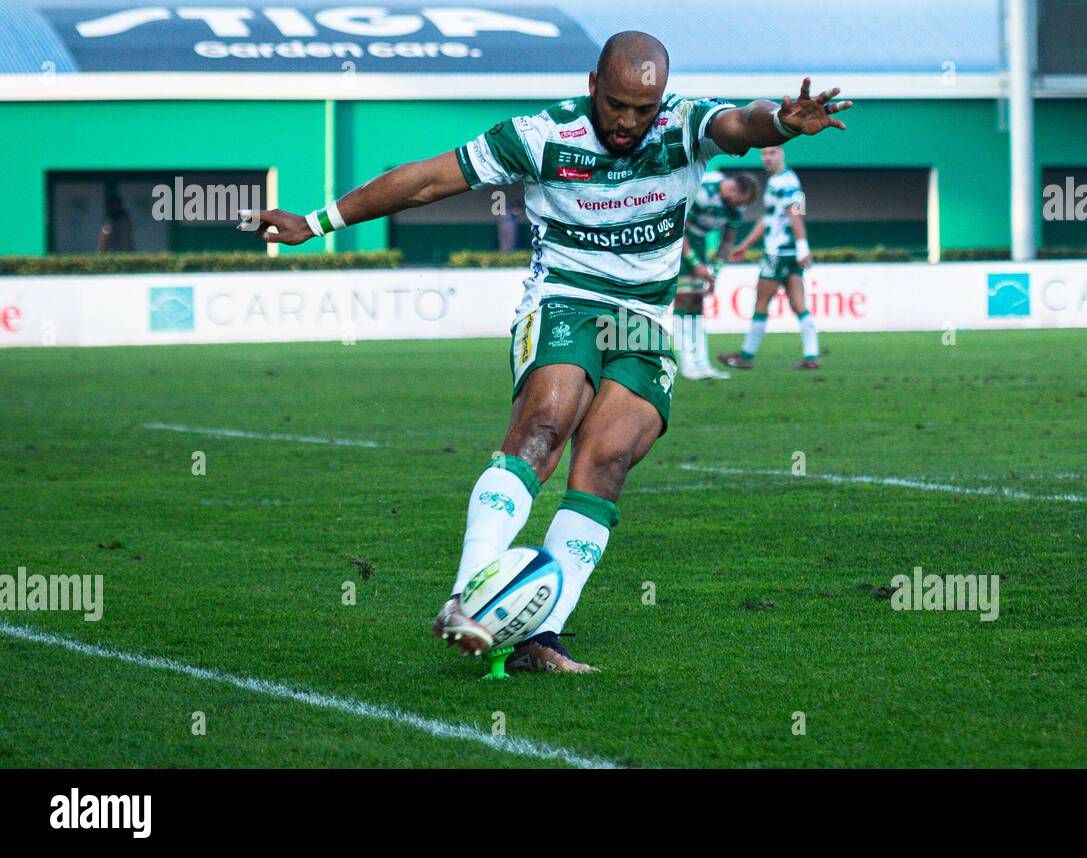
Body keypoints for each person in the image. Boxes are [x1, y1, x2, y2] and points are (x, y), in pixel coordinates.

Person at [240, 33, 851, 672]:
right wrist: (316, 222)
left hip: (644, 316)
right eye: (617, 104)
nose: (628, 122)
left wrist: (779, 120)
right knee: (544, 429)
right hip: (565, 299)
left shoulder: (685, 125)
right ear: (594, 85)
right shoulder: (539, 134)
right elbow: (425, 181)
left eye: (644, 109)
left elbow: (740, 124)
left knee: (608, 463)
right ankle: (466, 596)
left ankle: (540, 636)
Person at [720, 146, 820, 370]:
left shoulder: (783, 182)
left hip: (778, 252)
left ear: (783, 153)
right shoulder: (785, 180)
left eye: (772, 153)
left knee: (761, 302)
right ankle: (811, 356)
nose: (767, 158)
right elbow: (770, 219)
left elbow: (795, 213)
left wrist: (803, 245)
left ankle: (745, 356)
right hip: (791, 251)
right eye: (764, 154)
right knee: (798, 303)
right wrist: (745, 245)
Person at [675, 171, 757, 380]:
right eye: (740, 201)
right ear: (732, 190)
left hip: (699, 244)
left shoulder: (735, 209)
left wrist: (714, 274)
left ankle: (702, 363)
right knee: (684, 299)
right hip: (678, 243)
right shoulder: (703, 192)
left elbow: (727, 243)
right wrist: (695, 264)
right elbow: (678, 228)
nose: (740, 207)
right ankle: (686, 363)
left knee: (698, 301)